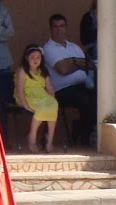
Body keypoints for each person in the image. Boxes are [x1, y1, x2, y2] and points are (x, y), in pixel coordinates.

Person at [43, 14, 96, 146]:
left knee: (98, 98)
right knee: (85, 101)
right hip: (61, 91)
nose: (59, 29)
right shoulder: (48, 48)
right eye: (55, 26)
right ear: (50, 28)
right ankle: (83, 136)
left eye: (62, 26)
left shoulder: (74, 47)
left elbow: (88, 65)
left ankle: (82, 130)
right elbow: (62, 70)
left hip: (82, 85)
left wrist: (72, 62)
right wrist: (77, 63)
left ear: (66, 28)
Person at [14, 45, 59, 153]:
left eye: (38, 57)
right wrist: (24, 105)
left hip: (42, 96)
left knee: (54, 105)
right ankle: (32, 138)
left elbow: (49, 88)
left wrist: (52, 98)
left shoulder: (43, 71)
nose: (35, 60)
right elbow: (19, 90)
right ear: (26, 58)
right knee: (41, 108)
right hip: (27, 96)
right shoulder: (22, 71)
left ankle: (49, 140)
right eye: (32, 57)